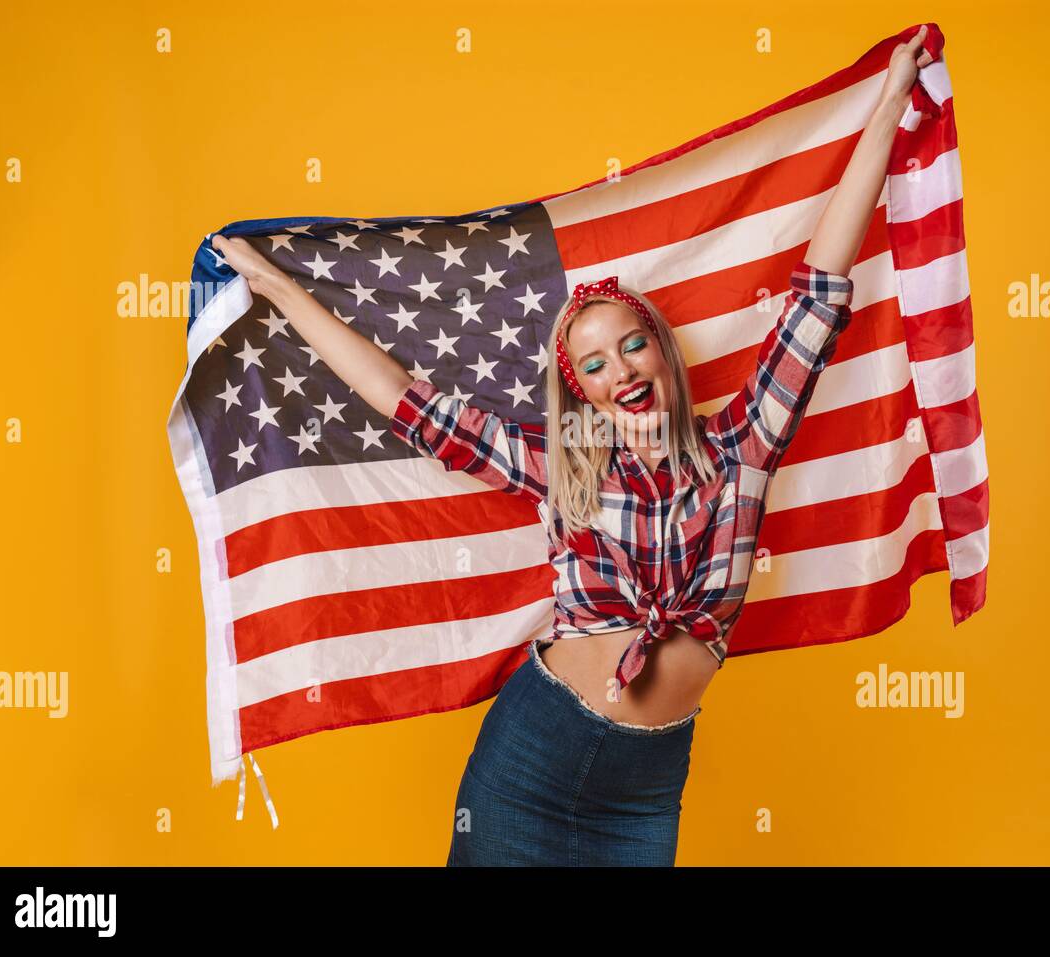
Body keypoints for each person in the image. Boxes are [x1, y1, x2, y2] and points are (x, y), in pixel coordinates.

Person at [213, 26, 933, 866]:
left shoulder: (745, 447)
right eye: (592, 363)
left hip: (643, 791)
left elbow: (819, 296)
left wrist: (885, 105)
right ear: (582, 389)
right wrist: (284, 293)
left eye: (631, 345)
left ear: (661, 350)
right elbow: (407, 402)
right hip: (530, 765)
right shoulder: (565, 470)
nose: (618, 368)